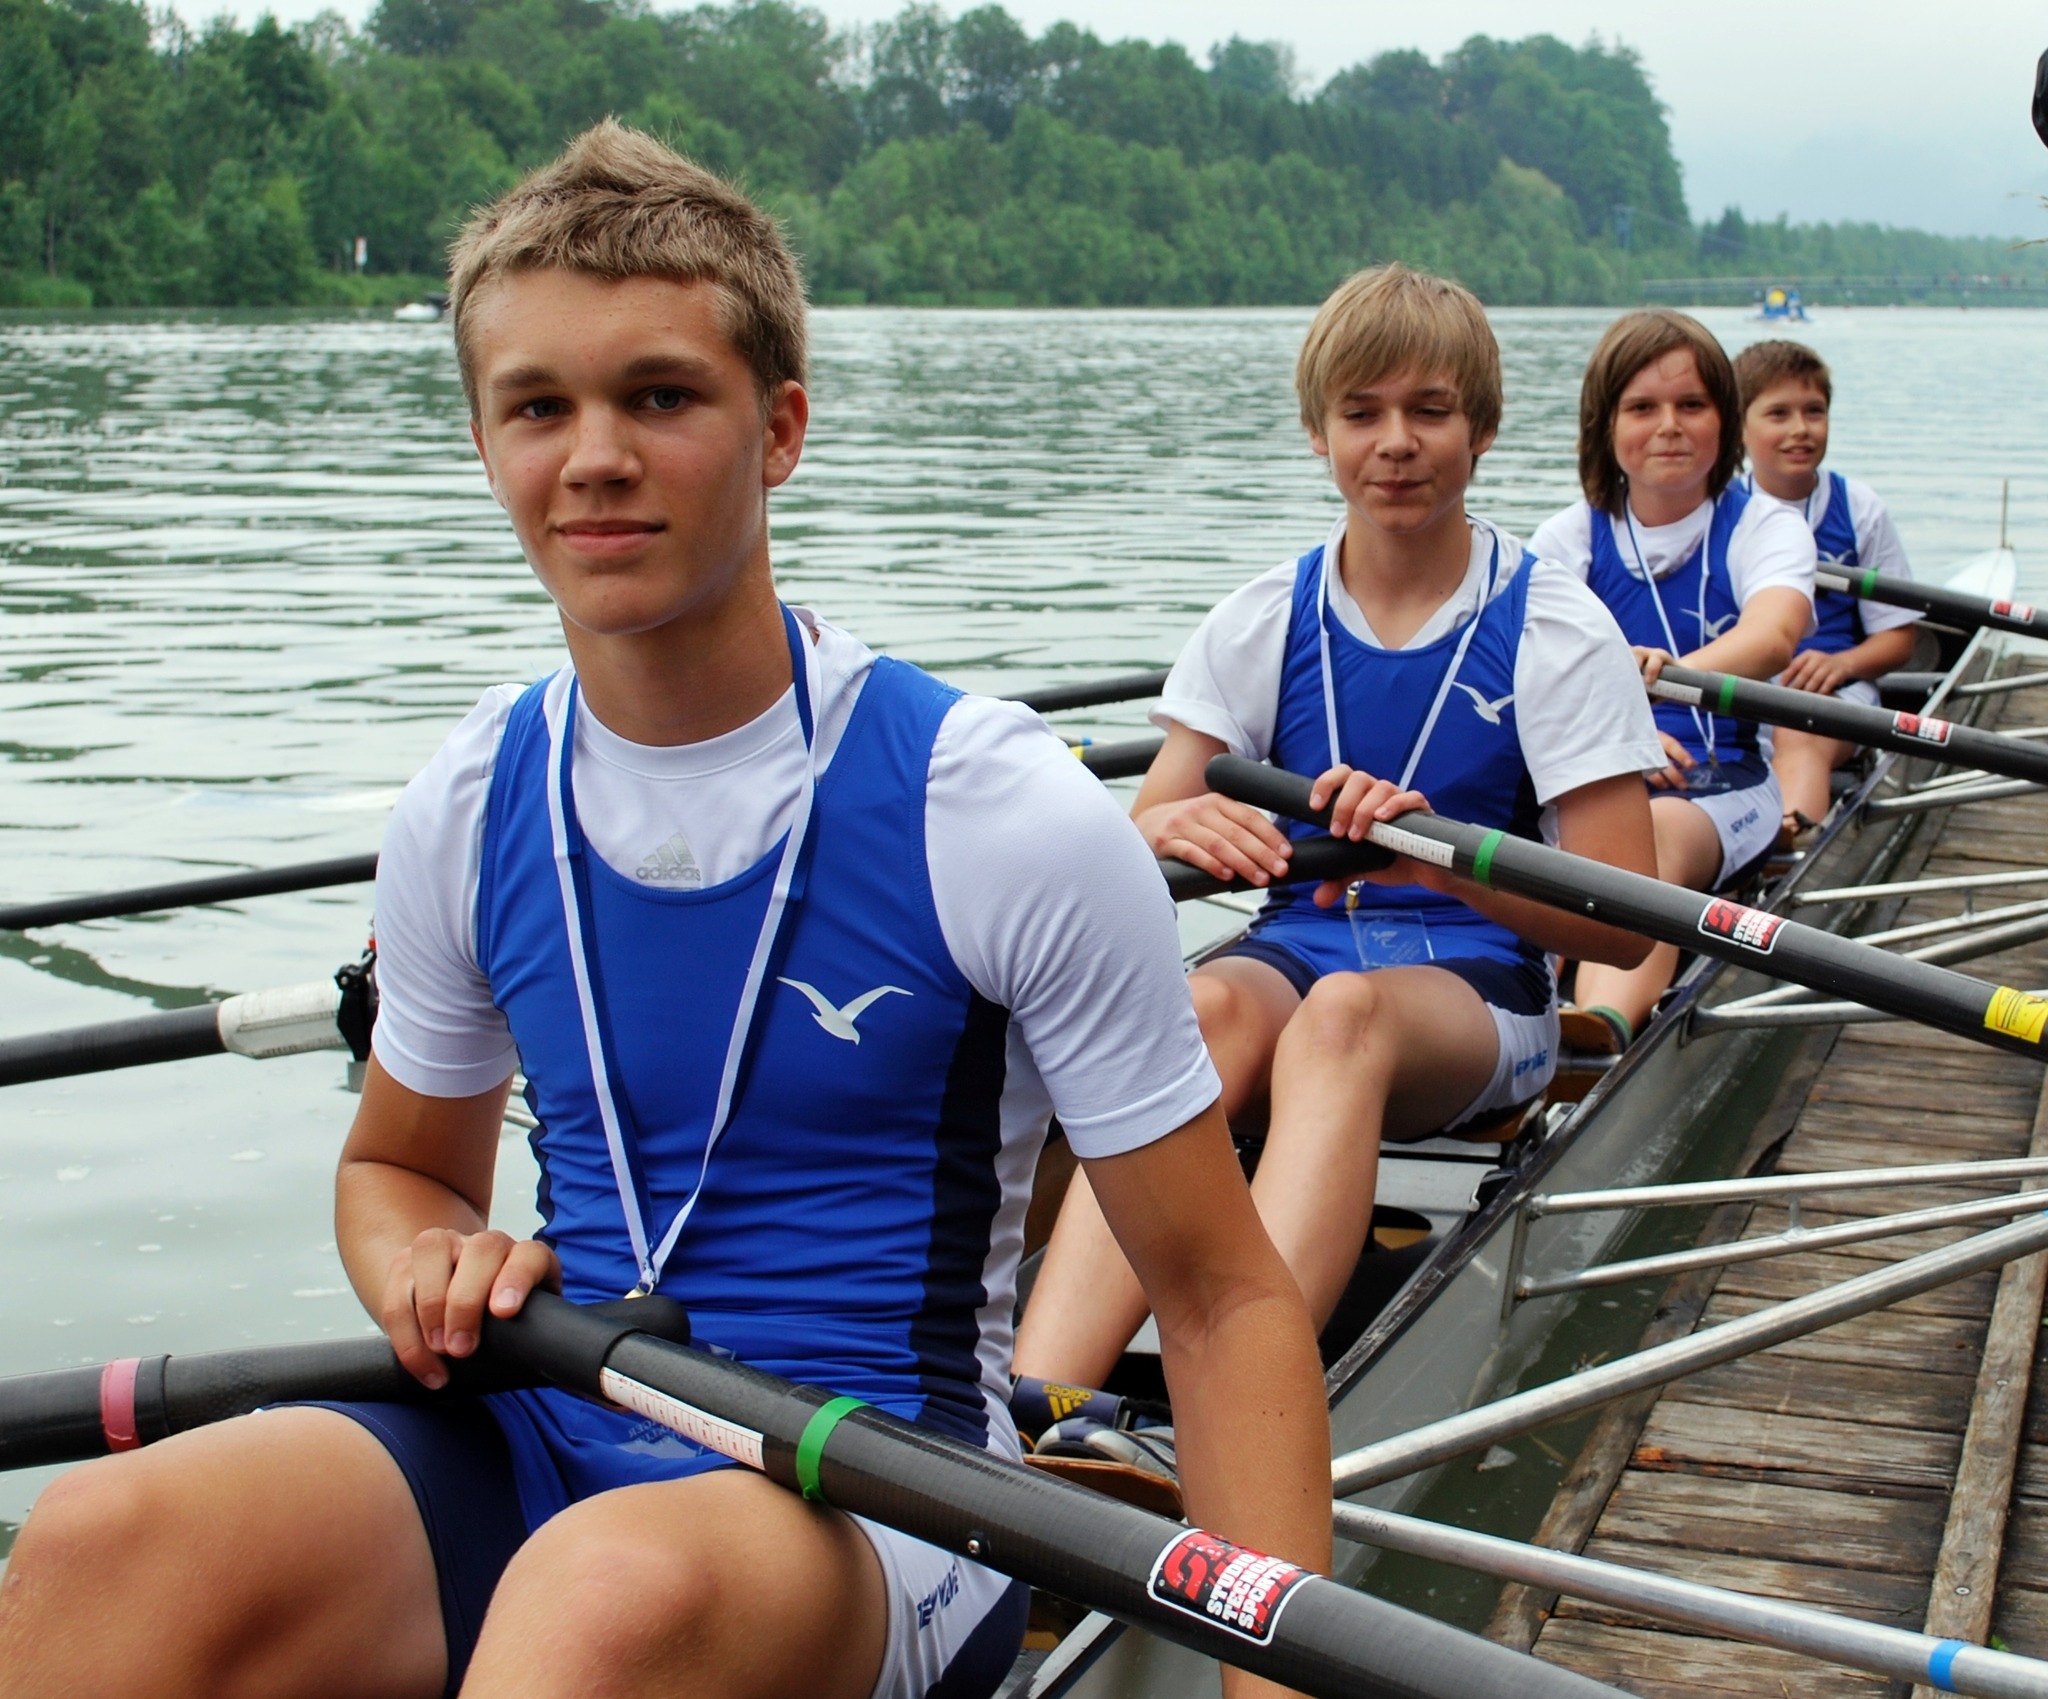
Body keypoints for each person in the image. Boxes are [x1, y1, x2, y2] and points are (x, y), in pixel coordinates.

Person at [0, 124, 1331, 1699]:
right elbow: (397, 1169)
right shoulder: (469, 799)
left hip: (889, 1486)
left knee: (605, 1595)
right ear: (483, 442)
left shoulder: (994, 807)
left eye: (659, 396)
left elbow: (1222, 1298)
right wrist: (426, 1258)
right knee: (101, 1536)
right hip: (556, 1411)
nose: (596, 457)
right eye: (538, 406)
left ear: (779, 428)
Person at [1012, 265, 1661, 1398]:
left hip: (1478, 988)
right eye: (1362, 413)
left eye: (1429, 410)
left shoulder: (1557, 625)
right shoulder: (1261, 617)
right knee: (1196, 1006)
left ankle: (1237, 1410)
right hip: (1293, 954)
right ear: (1319, 434)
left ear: (1482, 429)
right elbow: (1148, 823)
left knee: (1341, 1021)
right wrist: (1170, 823)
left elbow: (1618, 918)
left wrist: (1443, 861)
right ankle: (1032, 1406)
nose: (1395, 443)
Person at [1531, 310, 1816, 1050]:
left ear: (1725, 421)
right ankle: (1507, 1008)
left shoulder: (1765, 526)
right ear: (1605, 426)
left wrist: (1662, 677)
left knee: (1645, 836)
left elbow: (1774, 634)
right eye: (1642, 407)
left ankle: (1599, 1028)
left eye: (1691, 404)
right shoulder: (1567, 538)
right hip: (1595, 777)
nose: (1669, 426)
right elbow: (1532, 677)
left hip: (1722, 783)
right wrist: (1626, 736)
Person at [1734, 339, 1921, 837]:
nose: (1800, 429)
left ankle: (1788, 847)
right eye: (1778, 414)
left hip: (1835, 692)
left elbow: (1900, 639)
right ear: (1739, 428)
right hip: (1742, 686)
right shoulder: (1721, 512)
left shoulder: (1859, 509)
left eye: (1813, 411)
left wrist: (1843, 664)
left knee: (1797, 733)